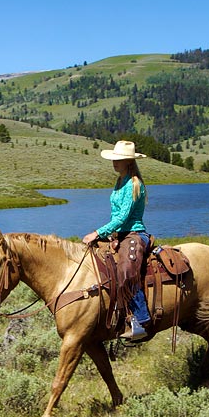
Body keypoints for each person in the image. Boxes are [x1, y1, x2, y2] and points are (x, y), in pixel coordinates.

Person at [81, 140, 151, 340]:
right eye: (114, 159)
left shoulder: (133, 184)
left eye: (118, 160)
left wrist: (98, 233)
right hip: (120, 234)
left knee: (126, 270)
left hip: (135, 234)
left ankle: (141, 320)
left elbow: (123, 217)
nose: (114, 162)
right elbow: (116, 217)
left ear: (128, 161)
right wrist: (111, 235)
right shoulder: (120, 181)